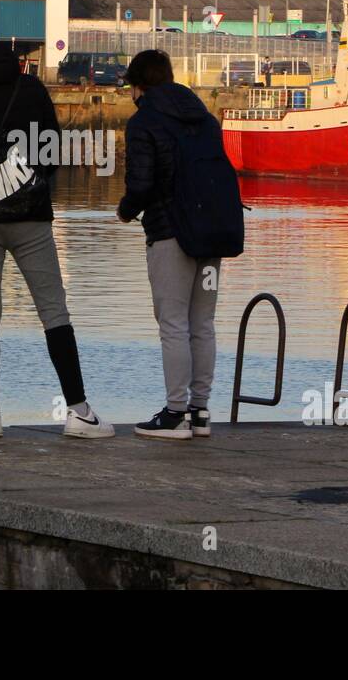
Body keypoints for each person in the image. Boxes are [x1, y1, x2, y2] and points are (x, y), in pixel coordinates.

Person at [0, 25, 114, 439]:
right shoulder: (29, 90)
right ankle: (80, 412)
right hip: (32, 219)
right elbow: (51, 149)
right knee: (54, 313)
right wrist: (30, 189)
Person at [117, 49, 243, 440]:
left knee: (172, 323)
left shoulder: (144, 122)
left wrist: (125, 211)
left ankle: (174, 415)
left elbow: (142, 183)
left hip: (170, 233)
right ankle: (199, 412)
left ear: (138, 86)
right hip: (212, 234)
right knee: (202, 322)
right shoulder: (205, 119)